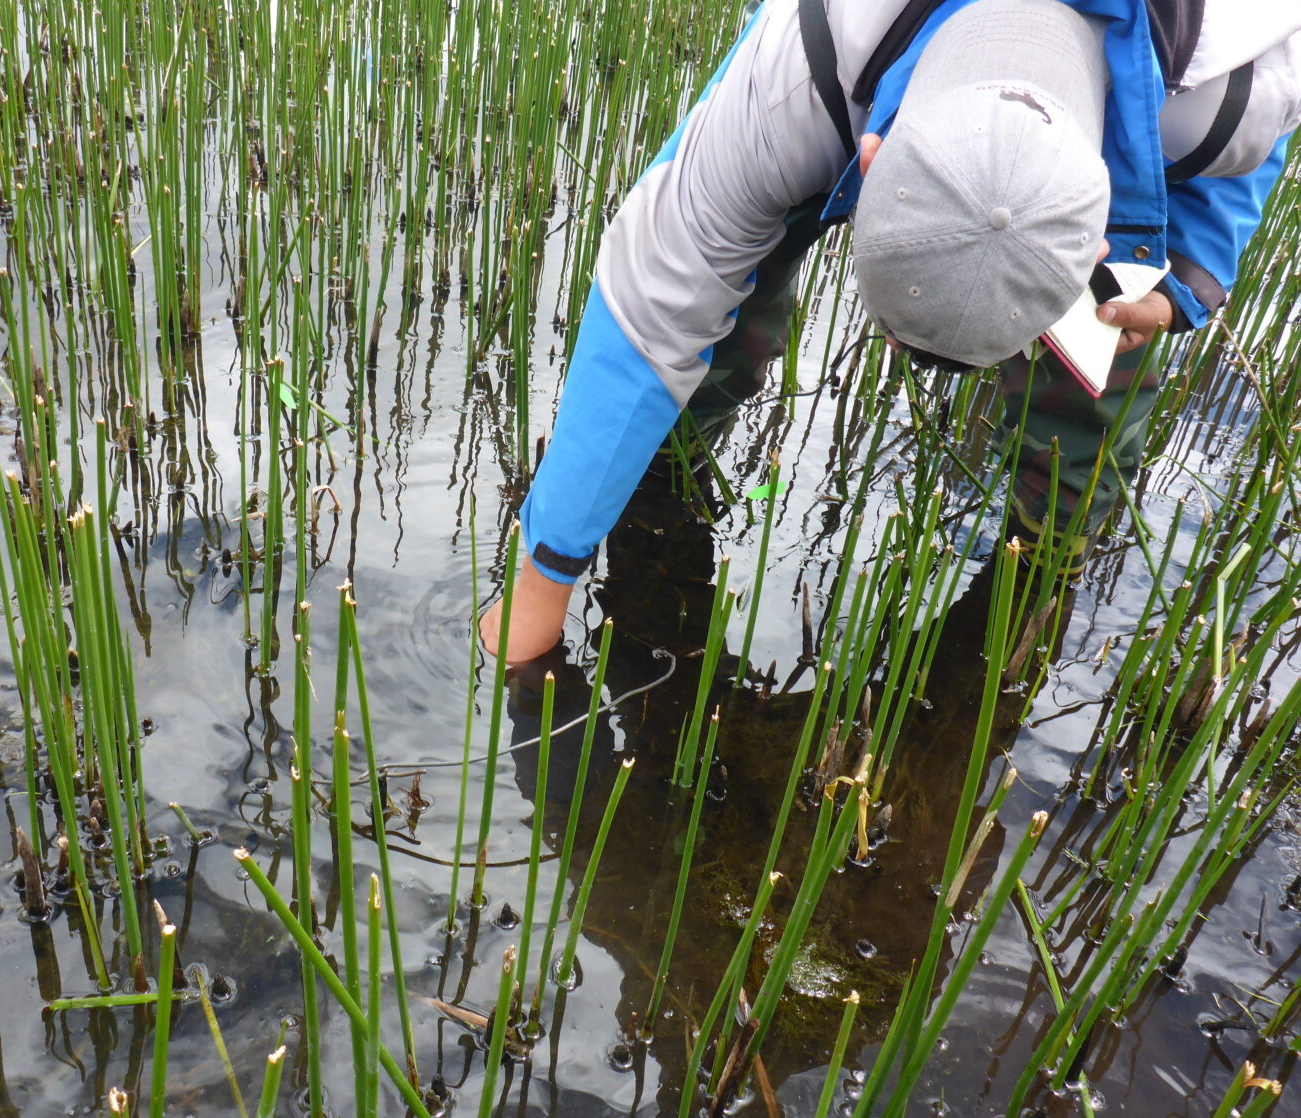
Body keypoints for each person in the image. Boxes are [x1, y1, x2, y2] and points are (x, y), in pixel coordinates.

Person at [479, 0, 1301, 662]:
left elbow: (1252, 150)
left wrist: (1188, 279)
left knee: (1102, 356)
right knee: (726, 290)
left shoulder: (1221, 91)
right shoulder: (803, 69)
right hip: (869, 66)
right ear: (868, 158)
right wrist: (545, 571)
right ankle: (666, 471)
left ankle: (1044, 562)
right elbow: (645, 308)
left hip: (1131, 125)